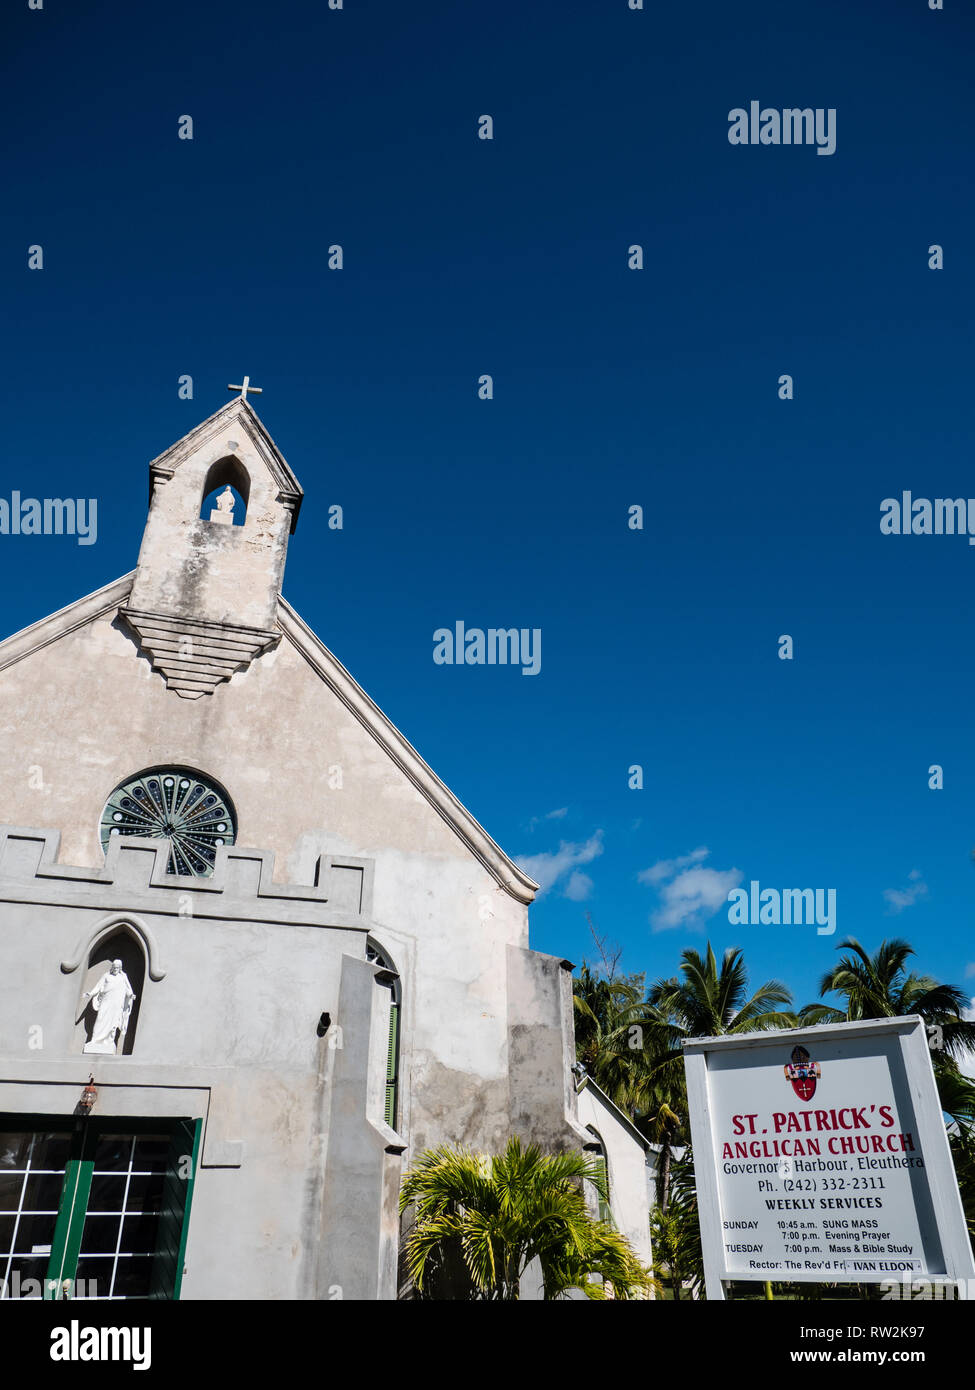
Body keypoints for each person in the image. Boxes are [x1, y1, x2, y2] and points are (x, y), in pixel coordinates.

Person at [82, 959, 135, 1054]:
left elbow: (128, 990)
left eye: (117, 968)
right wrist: (90, 994)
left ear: (120, 968)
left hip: (116, 1004)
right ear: (112, 967)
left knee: (112, 1023)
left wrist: (131, 995)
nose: (115, 969)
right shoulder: (106, 976)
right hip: (106, 1001)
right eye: (114, 967)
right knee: (100, 1019)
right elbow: (98, 987)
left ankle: (109, 1041)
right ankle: (95, 1040)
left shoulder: (123, 977)